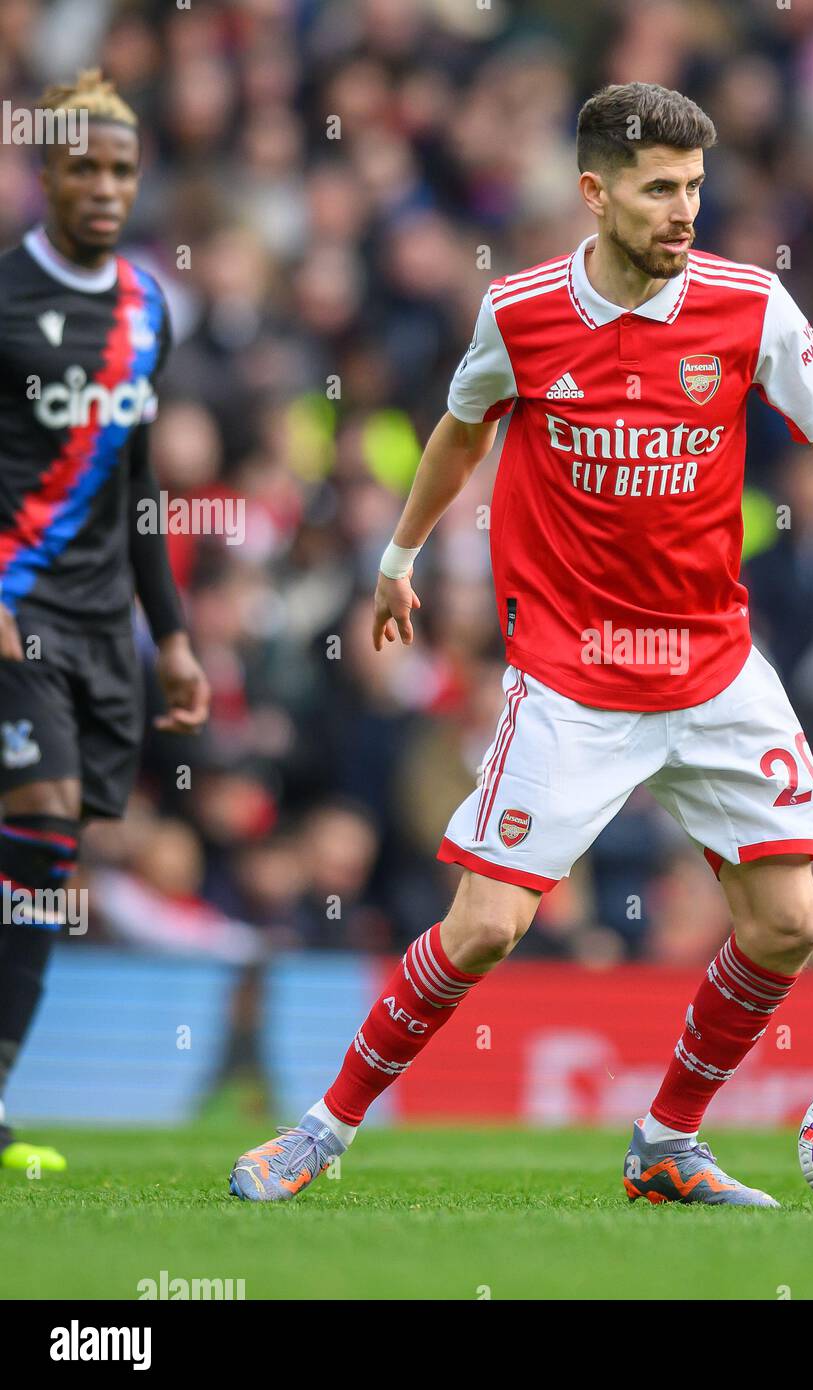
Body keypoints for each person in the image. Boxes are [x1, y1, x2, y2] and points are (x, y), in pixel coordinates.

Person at [230, 82, 813, 1207]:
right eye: (659, 190)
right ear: (594, 193)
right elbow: (461, 430)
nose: (683, 211)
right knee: (486, 925)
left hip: (709, 664)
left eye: (695, 187)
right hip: (570, 674)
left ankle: (664, 1144)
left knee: (790, 921)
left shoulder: (749, 307)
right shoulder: (520, 314)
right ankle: (320, 1130)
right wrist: (399, 555)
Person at [0, 71, 210, 1170]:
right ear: (45, 171)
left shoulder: (144, 311)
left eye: (123, 169)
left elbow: (132, 487)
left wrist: (169, 633)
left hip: (101, 628)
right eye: (84, 164)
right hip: (13, 607)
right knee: (32, 819)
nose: (105, 186)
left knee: (49, 865)